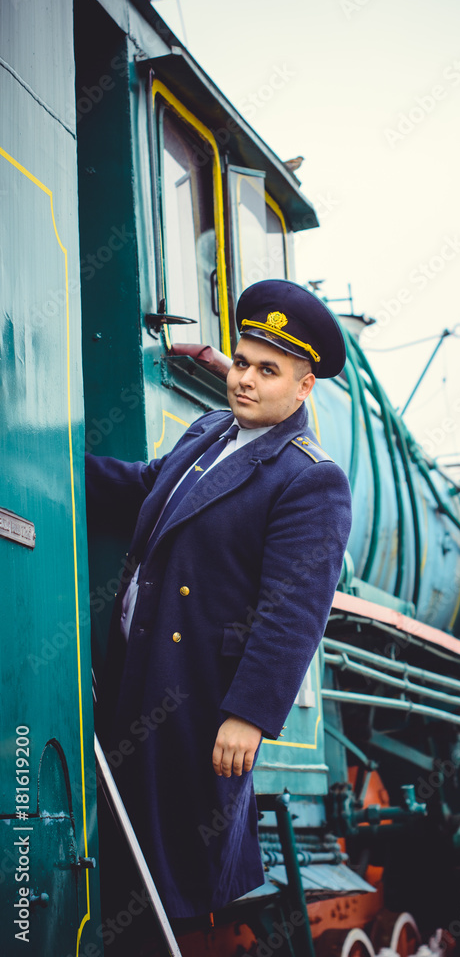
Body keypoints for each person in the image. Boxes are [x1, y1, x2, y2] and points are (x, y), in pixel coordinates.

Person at [86, 279, 352, 920]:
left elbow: (294, 613)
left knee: (159, 872)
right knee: (112, 850)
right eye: (241, 362)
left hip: (195, 696)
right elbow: (141, 487)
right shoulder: (207, 432)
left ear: (303, 385)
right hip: (131, 674)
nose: (247, 380)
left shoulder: (310, 477)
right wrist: (39, 457)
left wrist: (250, 716)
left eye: (269, 370)